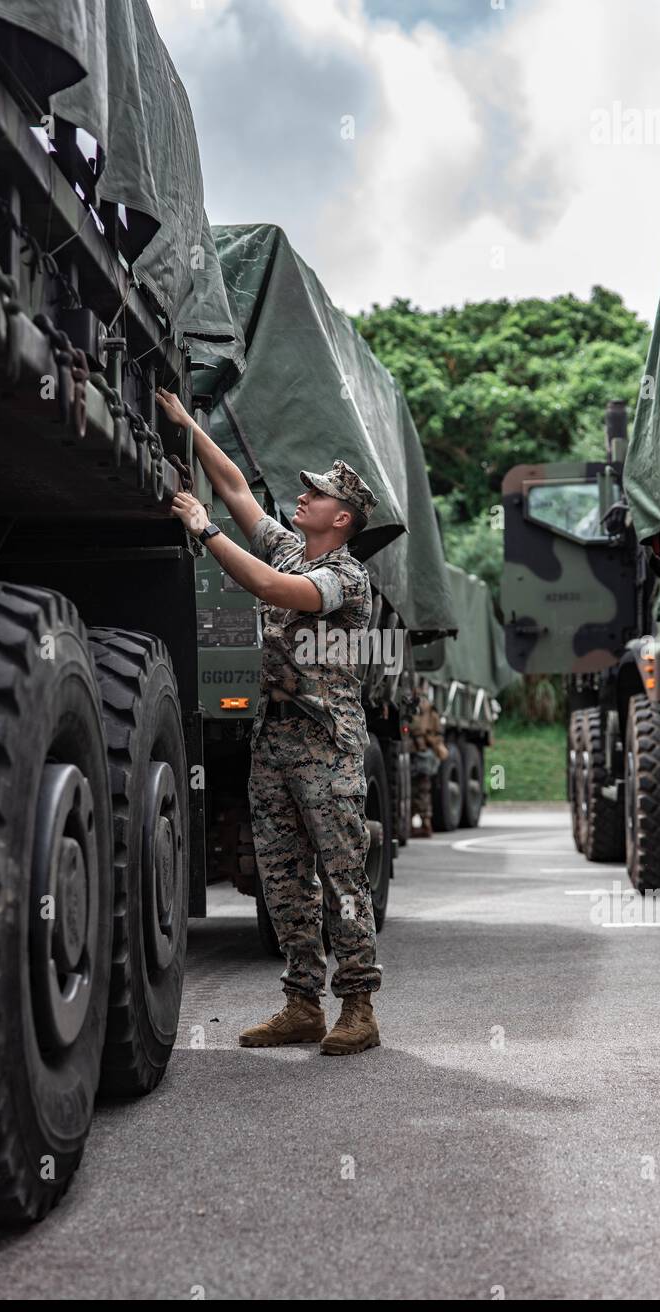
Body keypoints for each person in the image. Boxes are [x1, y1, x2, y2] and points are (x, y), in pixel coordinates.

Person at [155, 387, 382, 1056]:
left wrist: (205, 530)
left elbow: (272, 591)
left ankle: (360, 1005)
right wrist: (188, 425)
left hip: (328, 744)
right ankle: (302, 1003)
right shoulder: (288, 545)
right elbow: (232, 485)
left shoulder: (347, 577)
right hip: (275, 737)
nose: (300, 497)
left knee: (342, 879)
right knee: (284, 881)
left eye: (315, 495)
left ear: (341, 517)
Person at [409, 679, 449, 837]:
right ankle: (424, 823)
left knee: (420, 791)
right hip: (422, 755)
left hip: (421, 755)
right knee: (422, 791)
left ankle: (424, 824)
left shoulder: (424, 710)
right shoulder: (429, 710)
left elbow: (422, 730)